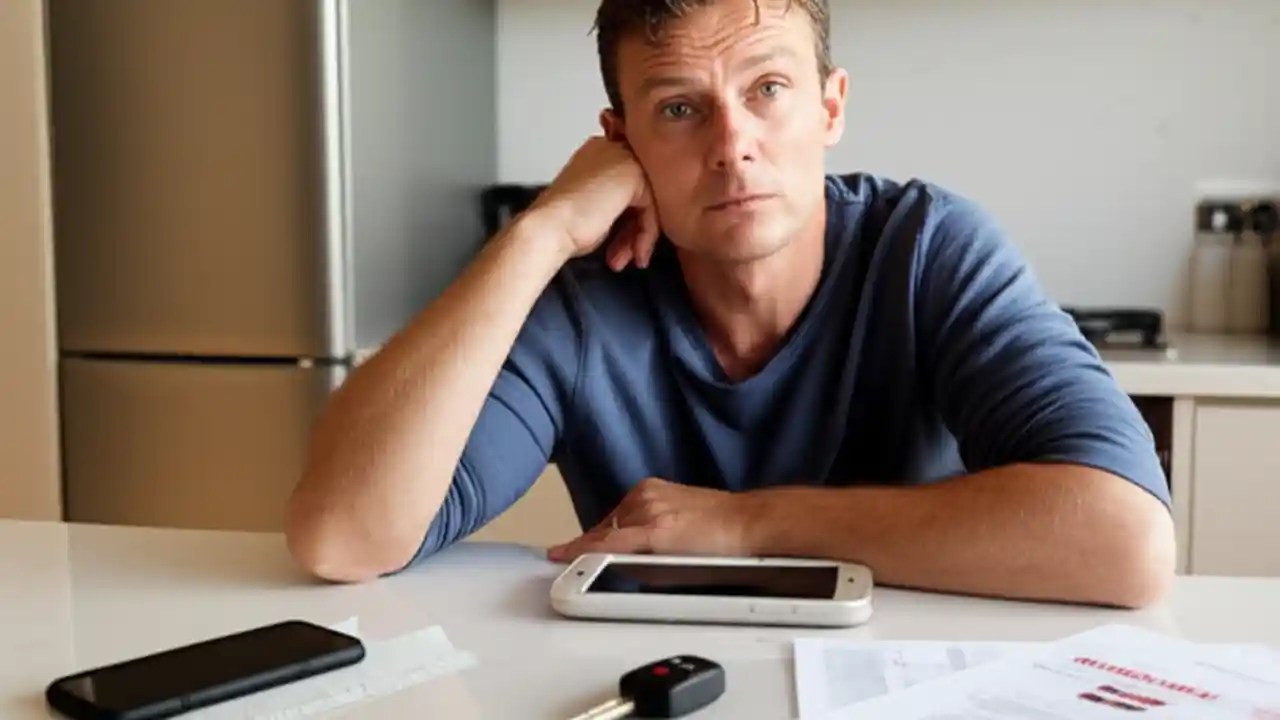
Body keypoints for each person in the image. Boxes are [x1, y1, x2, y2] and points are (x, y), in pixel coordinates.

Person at [285, 0, 1175, 608]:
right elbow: (343, 539)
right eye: (679, 108)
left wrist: (747, 524)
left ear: (831, 107)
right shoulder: (584, 299)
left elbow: (1128, 541)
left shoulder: (927, 250)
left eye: (768, 90)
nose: (731, 146)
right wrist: (542, 231)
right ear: (619, 140)